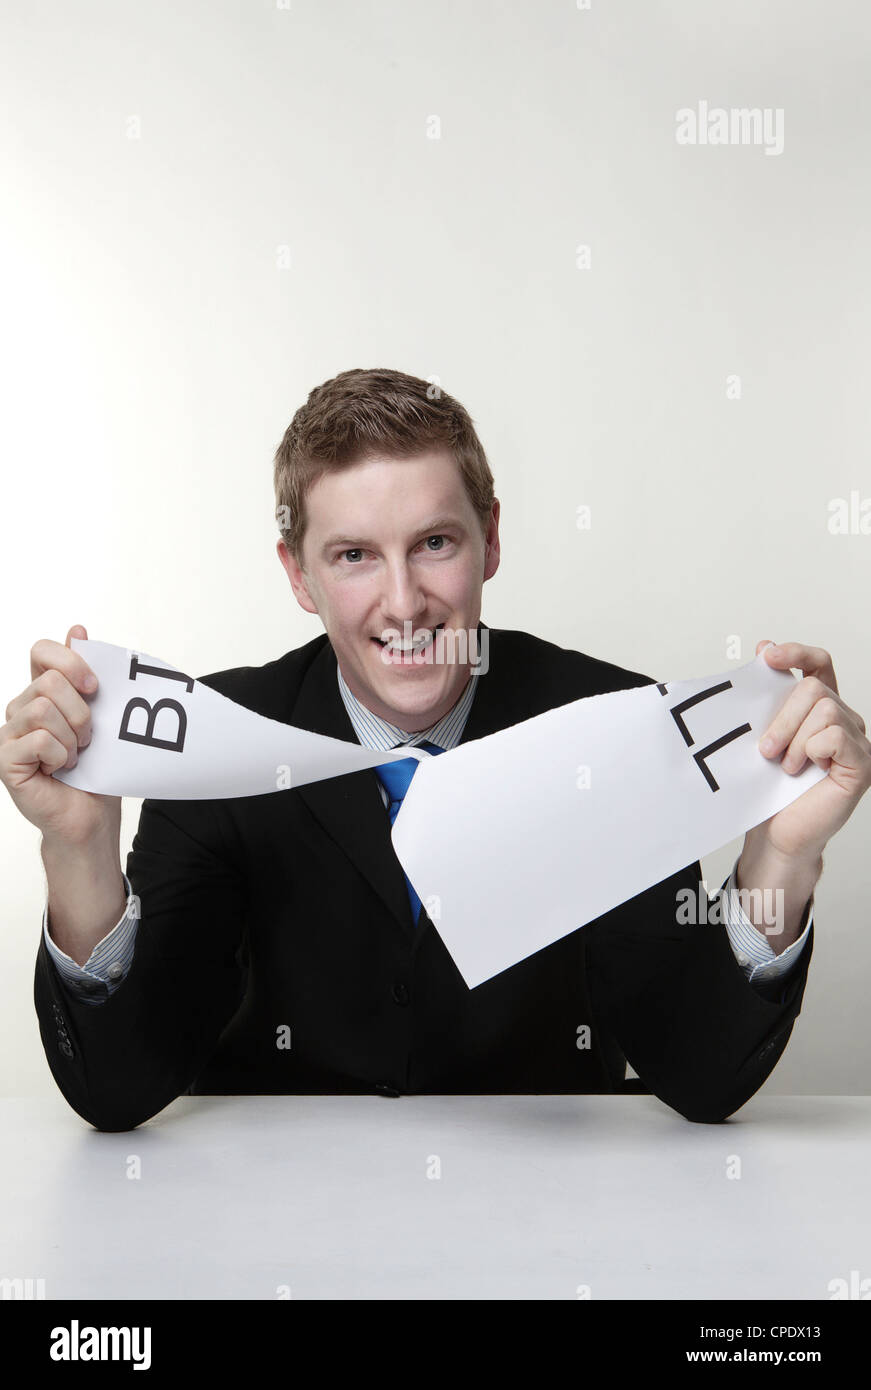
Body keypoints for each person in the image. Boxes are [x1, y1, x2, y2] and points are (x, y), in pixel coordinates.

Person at [3, 368, 869, 1132]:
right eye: (352, 556)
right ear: (298, 575)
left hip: (553, 1223)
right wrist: (76, 850)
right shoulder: (220, 736)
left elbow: (701, 1074)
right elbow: (119, 1090)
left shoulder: (606, 725)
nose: (404, 603)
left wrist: (778, 857)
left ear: (490, 538)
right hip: (277, 1217)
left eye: (434, 543)